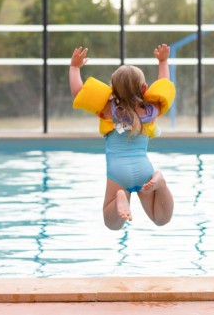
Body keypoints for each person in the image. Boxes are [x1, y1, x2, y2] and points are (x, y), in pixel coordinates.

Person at [69, 44, 175, 231]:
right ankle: (161, 182)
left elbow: (79, 93)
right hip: (145, 171)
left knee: (113, 224)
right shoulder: (151, 111)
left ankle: (120, 198)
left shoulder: (108, 110)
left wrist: (75, 68)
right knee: (161, 219)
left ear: (112, 90)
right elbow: (163, 84)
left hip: (119, 173)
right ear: (144, 89)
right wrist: (163, 61)